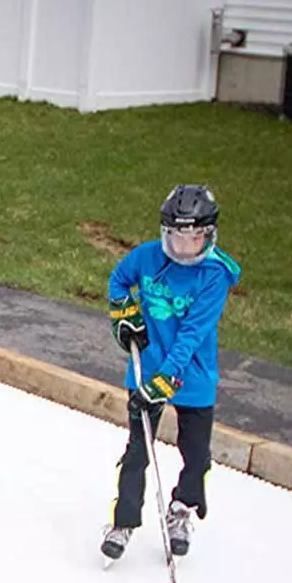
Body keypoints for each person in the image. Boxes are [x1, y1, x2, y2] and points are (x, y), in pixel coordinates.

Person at [101, 184, 241, 563]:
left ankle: (182, 509)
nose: (184, 247)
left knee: (196, 455)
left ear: (208, 234)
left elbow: (193, 334)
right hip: (147, 366)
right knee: (137, 451)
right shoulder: (147, 258)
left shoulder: (215, 275)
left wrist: (166, 380)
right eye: (177, 236)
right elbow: (118, 280)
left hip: (191, 374)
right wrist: (123, 316)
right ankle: (123, 521)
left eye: (194, 237)